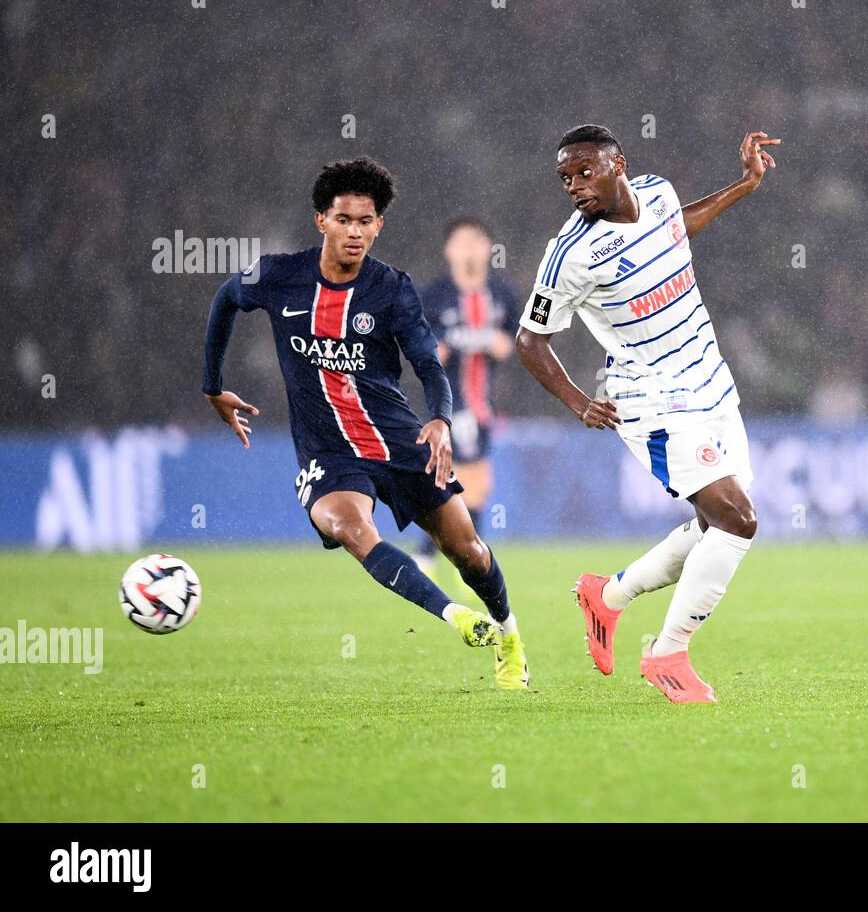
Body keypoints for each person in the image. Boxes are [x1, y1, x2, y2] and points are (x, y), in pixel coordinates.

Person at [201, 157, 528, 688]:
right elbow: (226, 299)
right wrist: (212, 385)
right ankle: (456, 617)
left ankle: (509, 635)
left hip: (398, 440)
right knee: (351, 528)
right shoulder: (279, 275)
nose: (355, 232)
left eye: (366, 221)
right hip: (326, 452)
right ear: (322, 221)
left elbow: (428, 364)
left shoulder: (392, 289)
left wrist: (441, 420)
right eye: (344, 219)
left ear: (378, 226)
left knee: (467, 548)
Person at [515, 124, 779, 704]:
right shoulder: (570, 254)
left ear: (619, 164)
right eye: (566, 179)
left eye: (585, 172)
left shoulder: (657, 192)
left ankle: (607, 596)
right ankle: (668, 652)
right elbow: (530, 341)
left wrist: (743, 186)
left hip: (711, 380)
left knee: (718, 526)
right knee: (739, 519)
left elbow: (676, 227)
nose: (575, 186)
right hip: (651, 401)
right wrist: (579, 402)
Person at [415, 216, 517, 576]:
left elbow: (512, 343)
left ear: (489, 248)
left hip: (483, 403)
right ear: (449, 250)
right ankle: (464, 560)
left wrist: (499, 344)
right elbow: (427, 350)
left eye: (476, 241)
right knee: (470, 482)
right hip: (450, 403)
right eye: (461, 242)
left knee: (466, 486)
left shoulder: (503, 295)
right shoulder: (434, 296)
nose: (470, 250)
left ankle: (440, 556)